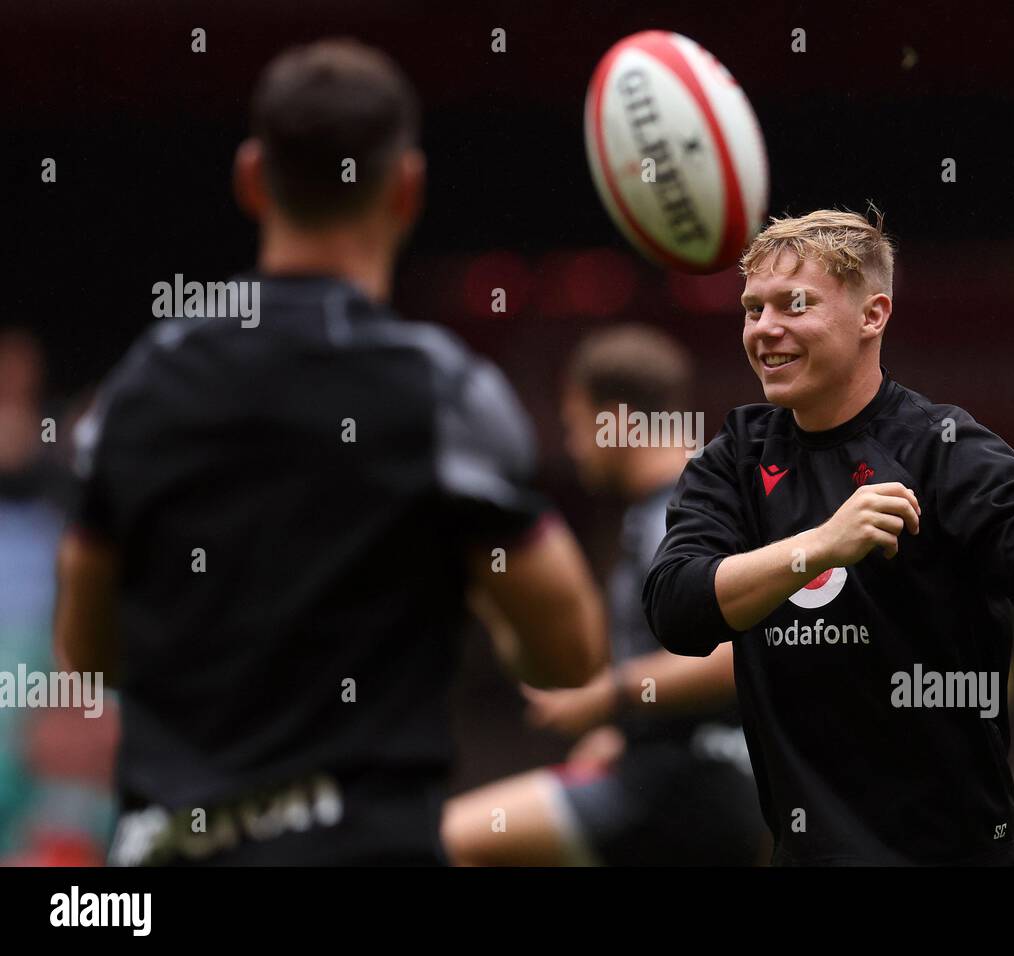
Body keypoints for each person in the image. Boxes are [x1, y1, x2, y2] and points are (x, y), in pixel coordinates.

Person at [52, 39, 604, 866]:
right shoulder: (442, 394)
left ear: (250, 177)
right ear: (408, 187)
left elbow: (88, 652)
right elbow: (567, 654)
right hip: (364, 844)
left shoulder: (141, 389)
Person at [642, 208, 1014, 866]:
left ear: (873, 315)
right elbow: (676, 608)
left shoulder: (942, 447)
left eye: (794, 304)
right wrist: (820, 547)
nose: (766, 329)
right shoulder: (736, 458)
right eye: (753, 308)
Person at [442, 325, 766, 865]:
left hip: (687, 790)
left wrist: (609, 696)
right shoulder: (697, 497)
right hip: (693, 781)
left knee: (452, 841)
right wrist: (626, 733)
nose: (571, 448)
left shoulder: (680, 513)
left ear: (612, 421)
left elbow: (738, 654)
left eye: (573, 426)